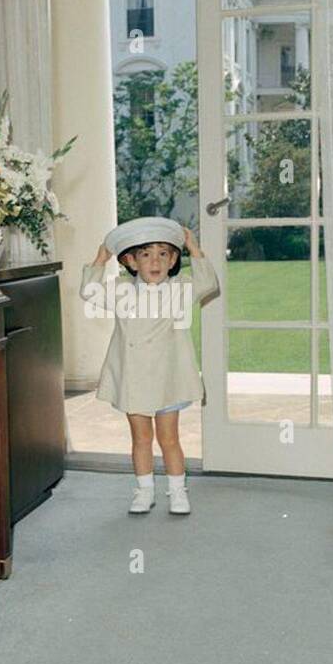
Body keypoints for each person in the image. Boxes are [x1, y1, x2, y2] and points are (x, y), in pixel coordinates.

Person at [81, 217, 220, 516]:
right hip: (134, 380)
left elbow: (208, 282)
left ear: (172, 261)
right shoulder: (121, 291)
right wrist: (99, 259)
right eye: (145, 254)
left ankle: (177, 491)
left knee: (169, 439)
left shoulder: (180, 289)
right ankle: (144, 491)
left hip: (169, 378)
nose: (154, 261)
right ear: (131, 261)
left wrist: (193, 247)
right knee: (141, 439)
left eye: (163, 254)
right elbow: (89, 293)